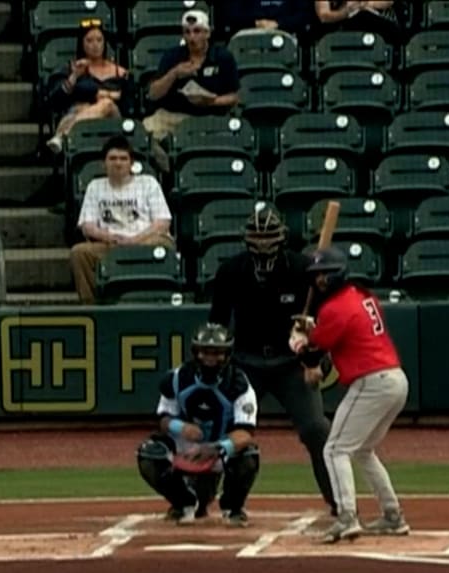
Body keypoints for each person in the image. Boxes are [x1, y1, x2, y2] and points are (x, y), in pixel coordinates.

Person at [207, 204, 336, 516]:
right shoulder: (231, 271)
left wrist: (315, 357)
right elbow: (218, 326)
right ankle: (202, 498)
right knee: (225, 429)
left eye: (269, 235)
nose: (263, 242)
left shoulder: (304, 270)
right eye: (257, 235)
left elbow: (328, 323)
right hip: (245, 363)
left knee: (317, 430)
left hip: (291, 364)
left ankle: (339, 501)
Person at [291, 246, 410, 543]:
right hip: (393, 379)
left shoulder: (336, 307)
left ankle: (346, 517)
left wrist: (299, 343)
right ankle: (392, 515)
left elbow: (315, 351)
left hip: (372, 382)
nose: (319, 281)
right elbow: (338, 340)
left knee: (334, 449)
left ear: (337, 274)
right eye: (316, 276)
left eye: (324, 275)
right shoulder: (362, 295)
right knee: (361, 449)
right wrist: (311, 331)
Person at [136, 323, 262, 526]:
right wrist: (181, 428)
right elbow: (163, 419)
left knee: (248, 456)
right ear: (196, 352)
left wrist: (215, 448)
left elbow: (245, 433)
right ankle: (183, 502)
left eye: (217, 353)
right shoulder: (177, 379)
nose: (210, 359)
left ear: (227, 354)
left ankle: (233, 507)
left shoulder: (239, 385)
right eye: (205, 352)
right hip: (186, 446)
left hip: (221, 445)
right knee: (149, 454)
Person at [68, 136, 173, 303]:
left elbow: (163, 222)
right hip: (111, 245)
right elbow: (88, 226)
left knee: (162, 244)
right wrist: (111, 238)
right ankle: (92, 306)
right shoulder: (95, 186)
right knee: (79, 253)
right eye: (113, 158)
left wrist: (135, 240)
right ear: (104, 163)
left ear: (131, 163)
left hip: (145, 241)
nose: (118, 163)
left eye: (123, 159)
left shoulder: (148, 183)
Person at [141, 9, 239, 143]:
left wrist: (210, 101)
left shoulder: (223, 57)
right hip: (173, 117)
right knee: (143, 134)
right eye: (187, 32)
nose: (192, 37)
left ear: (207, 33)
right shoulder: (172, 56)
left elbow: (234, 97)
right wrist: (174, 73)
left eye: (197, 31)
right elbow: (153, 94)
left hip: (210, 118)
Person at [42, 21, 129, 155]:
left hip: (112, 121)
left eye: (99, 40)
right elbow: (55, 100)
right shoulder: (72, 68)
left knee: (106, 104)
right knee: (81, 108)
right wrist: (74, 76)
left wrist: (106, 96)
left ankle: (63, 135)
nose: (95, 45)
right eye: (89, 40)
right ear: (81, 43)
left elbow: (126, 99)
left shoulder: (120, 72)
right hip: (77, 114)